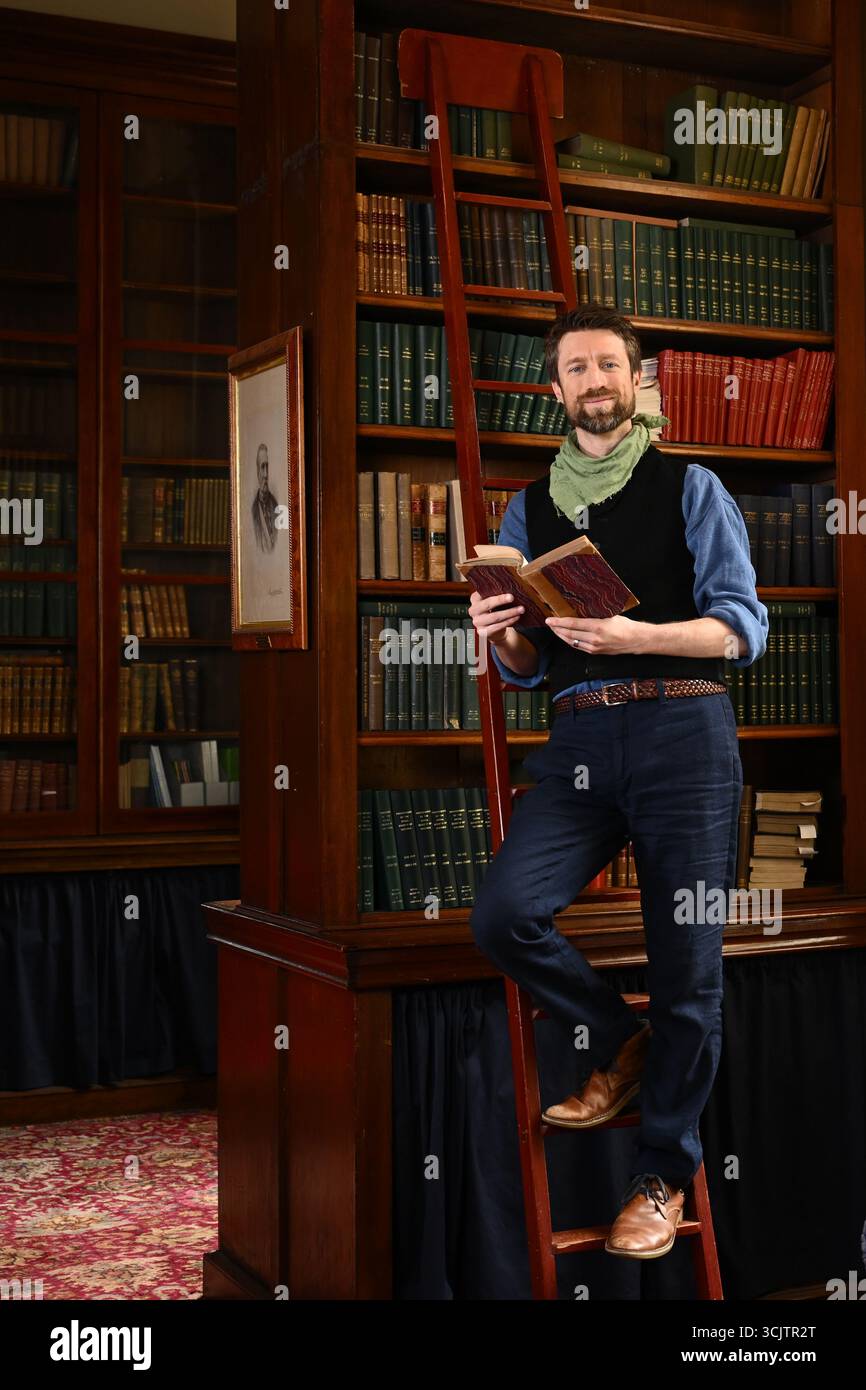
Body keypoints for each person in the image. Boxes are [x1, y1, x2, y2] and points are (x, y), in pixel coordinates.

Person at [468, 304, 768, 1260]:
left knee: (689, 969)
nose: (593, 381)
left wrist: (638, 635)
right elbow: (524, 660)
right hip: (581, 737)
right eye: (575, 369)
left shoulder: (693, 485)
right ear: (555, 389)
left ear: (636, 382)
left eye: (609, 365)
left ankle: (659, 1178)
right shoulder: (528, 506)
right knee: (503, 912)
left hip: (684, 724)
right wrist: (499, 631)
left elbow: (741, 629)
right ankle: (619, 1038)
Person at [251, 443, 278, 553]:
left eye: (267, 466)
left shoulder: (276, 506)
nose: (266, 474)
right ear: (257, 472)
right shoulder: (252, 511)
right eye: (262, 467)